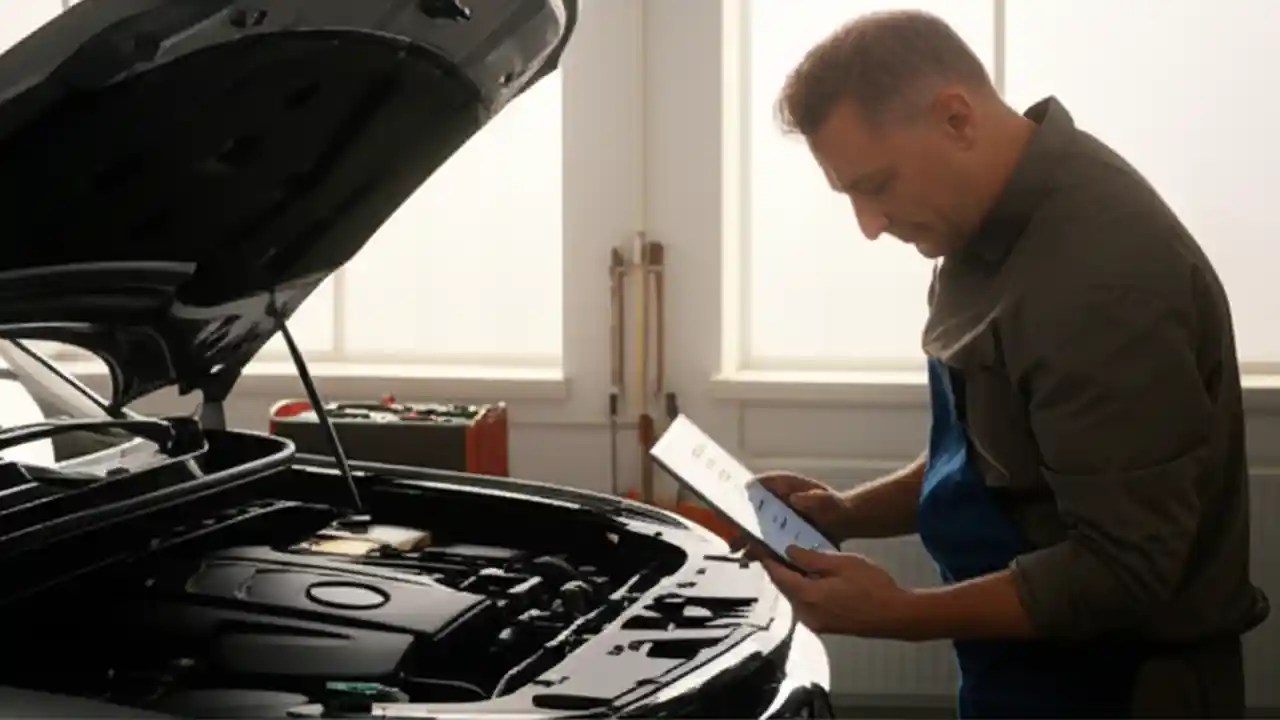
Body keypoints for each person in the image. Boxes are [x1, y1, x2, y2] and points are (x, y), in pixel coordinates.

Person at [744, 10, 1270, 719]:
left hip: (1122, 689)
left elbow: (1127, 568)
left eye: (876, 185)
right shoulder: (976, 225)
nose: (869, 225)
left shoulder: (1103, 279)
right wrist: (846, 514)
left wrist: (899, 613)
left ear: (956, 119)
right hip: (1024, 673)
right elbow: (992, 454)